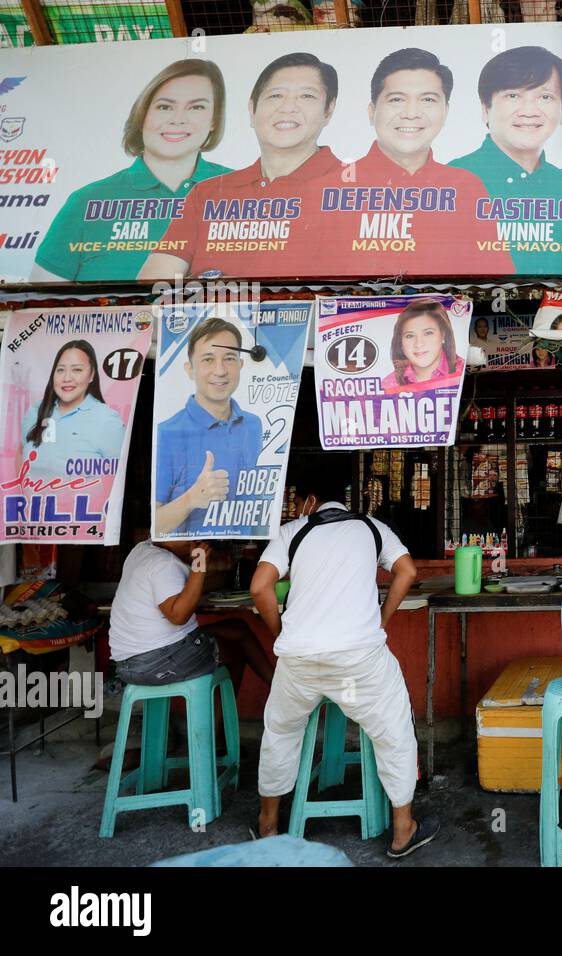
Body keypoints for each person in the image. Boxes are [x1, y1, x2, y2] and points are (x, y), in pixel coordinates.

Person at [249, 467, 433, 857]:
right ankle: (403, 829)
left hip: (299, 662)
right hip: (359, 661)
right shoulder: (370, 527)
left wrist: (281, 631)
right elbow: (408, 570)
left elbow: (259, 586)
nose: (297, 508)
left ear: (309, 501)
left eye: (298, 501)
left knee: (280, 731)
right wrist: (382, 619)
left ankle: (267, 824)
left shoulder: (292, 532)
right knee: (394, 731)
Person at [139, 52, 343, 280]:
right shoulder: (208, 194)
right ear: (252, 109)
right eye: (275, 95)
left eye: (306, 96)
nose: (288, 108)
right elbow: (154, 284)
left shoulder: (354, 189)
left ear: (329, 110)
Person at [32, 60, 231, 282]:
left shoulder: (246, 190)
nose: (178, 119)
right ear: (143, 114)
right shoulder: (86, 201)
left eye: (197, 107)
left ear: (214, 120)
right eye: (165, 106)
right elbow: (40, 303)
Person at [322, 48, 511, 276]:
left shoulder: (466, 187)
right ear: (372, 112)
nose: (411, 113)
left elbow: (496, 274)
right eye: (397, 99)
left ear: (446, 111)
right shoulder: (330, 188)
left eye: (428, 99)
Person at [449, 46, 562, 275]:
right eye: (513, 96)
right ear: (485, 109)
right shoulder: (454, 179)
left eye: (545, 97)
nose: (529, 111)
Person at [109, 537, 273, 693]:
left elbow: (189, 588)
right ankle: (217, 718)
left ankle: (276, 687)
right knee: (235, 651)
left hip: (127, 663)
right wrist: (199, 567)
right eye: (189, 536)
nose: (195, 542)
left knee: (238, 628)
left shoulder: (141, 549)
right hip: (160, 660)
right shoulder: (165, 562)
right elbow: (178, 616)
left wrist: (211, 568)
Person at [154, 317, 264, 537]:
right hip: (188, 560)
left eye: (230, 358)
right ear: (189, 369)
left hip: (245, 554)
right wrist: (191, 498)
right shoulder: (168, 432)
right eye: (208, 359)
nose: (220, 370)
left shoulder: (254, 424)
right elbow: (154, 525)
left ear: (241, 365)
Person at [18, 340, 126, 479]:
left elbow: (119, 478)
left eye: (77, 369)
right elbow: (20, 452)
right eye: (61, 370)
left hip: (84, 500)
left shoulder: (108, 420)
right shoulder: (36, 411)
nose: (67, 378)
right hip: (35, 500)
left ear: (92, 375)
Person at [379, 299, 464, 394]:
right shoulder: (389, 384)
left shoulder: (462, 372)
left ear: (443, 335)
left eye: (428, 333)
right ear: (401, 342)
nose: (419, 344)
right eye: (410, 336)